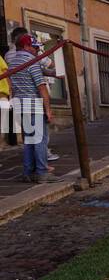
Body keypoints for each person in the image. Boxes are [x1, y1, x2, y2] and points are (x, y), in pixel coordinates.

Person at [7, 34, 57, 183]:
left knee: (29, 139)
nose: (36, 51)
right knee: (40, 140)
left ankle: (27, 172)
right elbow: (41, 88)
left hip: (20, 104)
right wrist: (48, 109)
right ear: (26, 47)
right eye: (34, 47)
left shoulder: (13, 62)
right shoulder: (32, 62)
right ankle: (42, 172)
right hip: (34, 104)